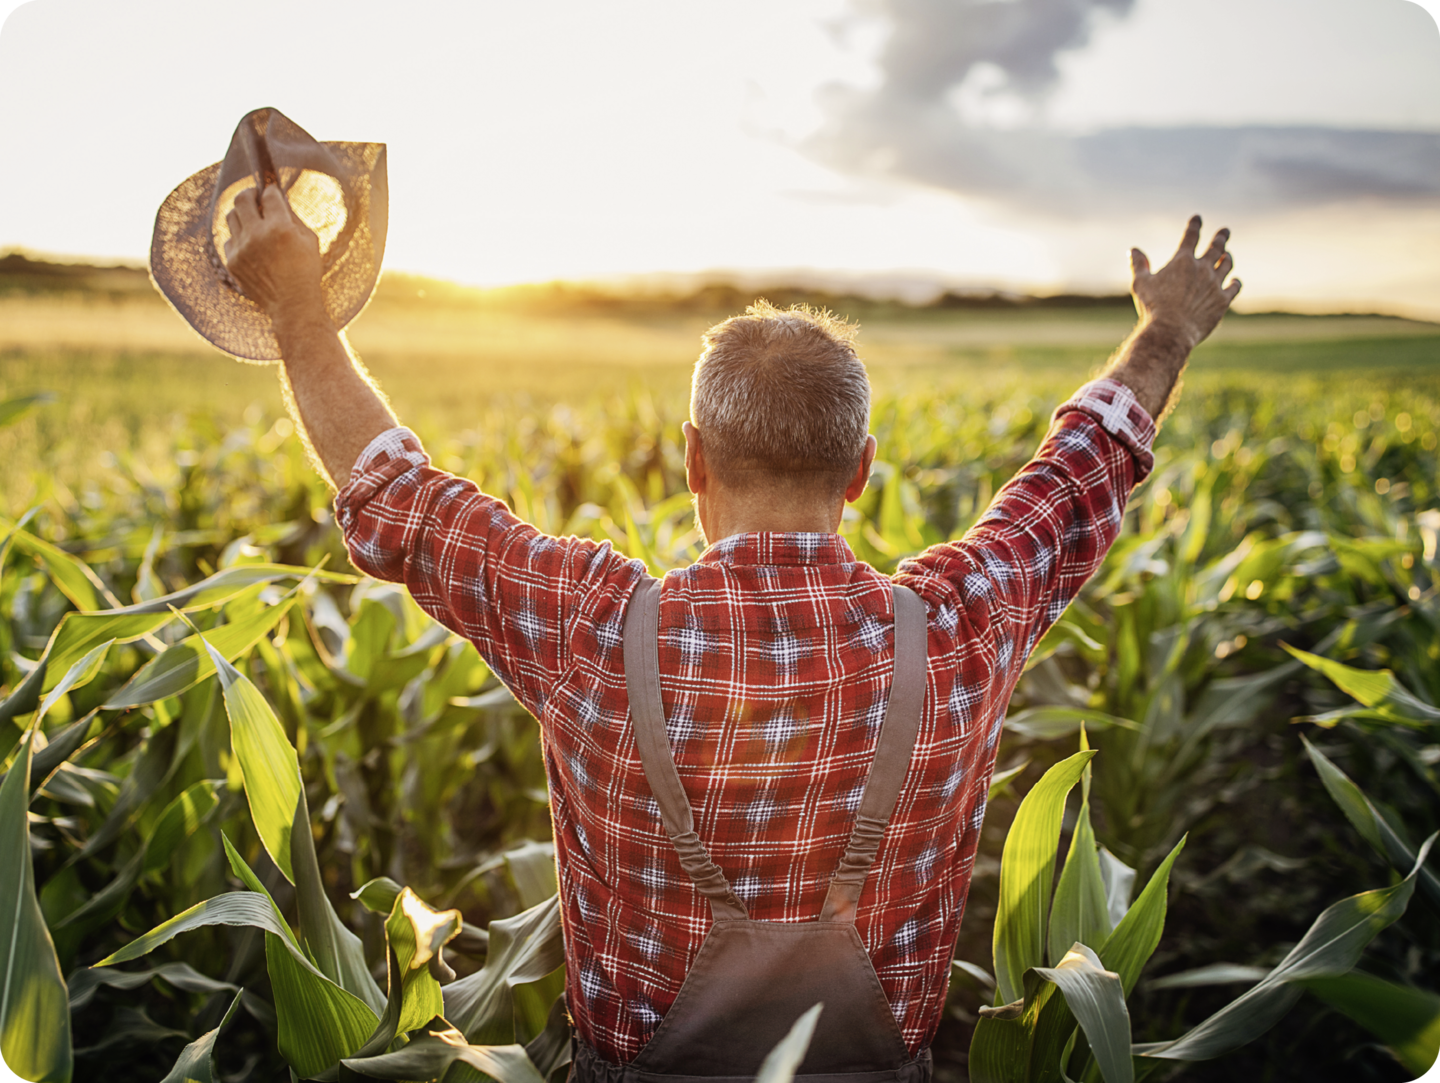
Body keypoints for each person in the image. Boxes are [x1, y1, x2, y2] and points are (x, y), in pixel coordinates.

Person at [222, 188, 1239, 1079]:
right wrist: (1168, 330)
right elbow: (1080, 469)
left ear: (692, 462)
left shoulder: (594, 628)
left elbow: (391, 489)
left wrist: (298, 305)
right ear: (861, 470)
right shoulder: (961, 623)